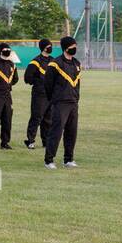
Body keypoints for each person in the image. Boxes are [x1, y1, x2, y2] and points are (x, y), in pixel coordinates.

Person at [43, 35, 81, 169]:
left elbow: (77, 84)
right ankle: (49, 160)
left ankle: (68, 159)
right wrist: (54, 99)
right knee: (56, 132)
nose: (75, 48)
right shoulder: (55, 64)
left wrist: (76, 97)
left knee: (72, 132)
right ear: (66, 48)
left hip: (73, 102)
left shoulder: (77, 63)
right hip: (60, 103)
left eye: (75, 46)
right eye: (72, 47)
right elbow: (48, 83)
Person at [23, 38, 54, 149]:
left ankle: (46, 141)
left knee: (48, 119)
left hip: (50, 94)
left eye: (51, 45)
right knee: (37, 117)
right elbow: (27, 78)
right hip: (39, 94)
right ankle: (30, 141)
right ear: (43, 48)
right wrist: (40, 82)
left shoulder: (53, 61)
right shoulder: (35, 62)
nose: (50, 47)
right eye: (48, 46)